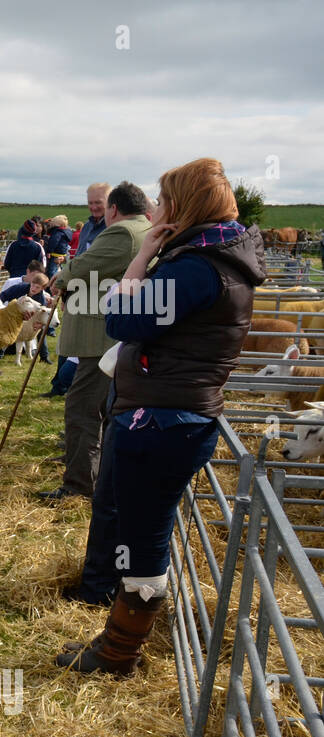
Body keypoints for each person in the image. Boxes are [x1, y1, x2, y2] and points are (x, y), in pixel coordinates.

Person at [56, 157, 265, 674]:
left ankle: (120, 651)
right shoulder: (212, 258)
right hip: (170, 413)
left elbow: (124, 319)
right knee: (141, 529)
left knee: (142, 537)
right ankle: (119, 638)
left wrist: (139, 259)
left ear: (187, 205)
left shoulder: (197, 266)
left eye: (166, 199)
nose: (158, 209)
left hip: (162, 417)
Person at [38, 182, 151, 502]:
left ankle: (79, 485)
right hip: (117, 335)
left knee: (83, 407)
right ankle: (93, 473)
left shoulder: (123, 232)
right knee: (101, 409)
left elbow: (82, 266)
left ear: (114, 208)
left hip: (99, 337)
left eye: (101, 205)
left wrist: (61, 276)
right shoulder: (145, 228)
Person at [2, 218, 47, 284]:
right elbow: (42, 266)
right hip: (31, 282)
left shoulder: (13, 245)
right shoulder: (38, 246)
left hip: (14, 280)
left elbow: (6, 264)